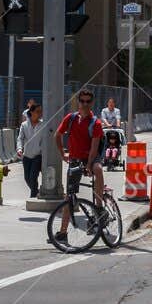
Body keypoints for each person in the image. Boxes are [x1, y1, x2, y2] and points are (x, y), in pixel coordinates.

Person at [52, 91, 104, 244]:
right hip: (75, 159)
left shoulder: (96, 123)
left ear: (92, 103)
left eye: (88, 101)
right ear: (78, 102)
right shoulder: (71, 118)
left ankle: (99, 208)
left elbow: (94, 147)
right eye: (82, 101)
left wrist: (88, 165)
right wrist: (63, 154)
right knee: (69, 196)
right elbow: (57, 135)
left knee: (98, 170)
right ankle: (63, 232)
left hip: (90, 157)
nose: (85, 104)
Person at [16, 103, 43, 198]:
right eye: (37, 112)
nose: (40, 114)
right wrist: (19, 149)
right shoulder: (24, 125)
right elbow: (20, 138)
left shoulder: (43, 125)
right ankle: (37, 192)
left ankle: (33, 197)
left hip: (38, 156)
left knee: (33, 177)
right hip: (27, 156)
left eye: (41, 112)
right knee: (27, 178)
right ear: (31, 112)